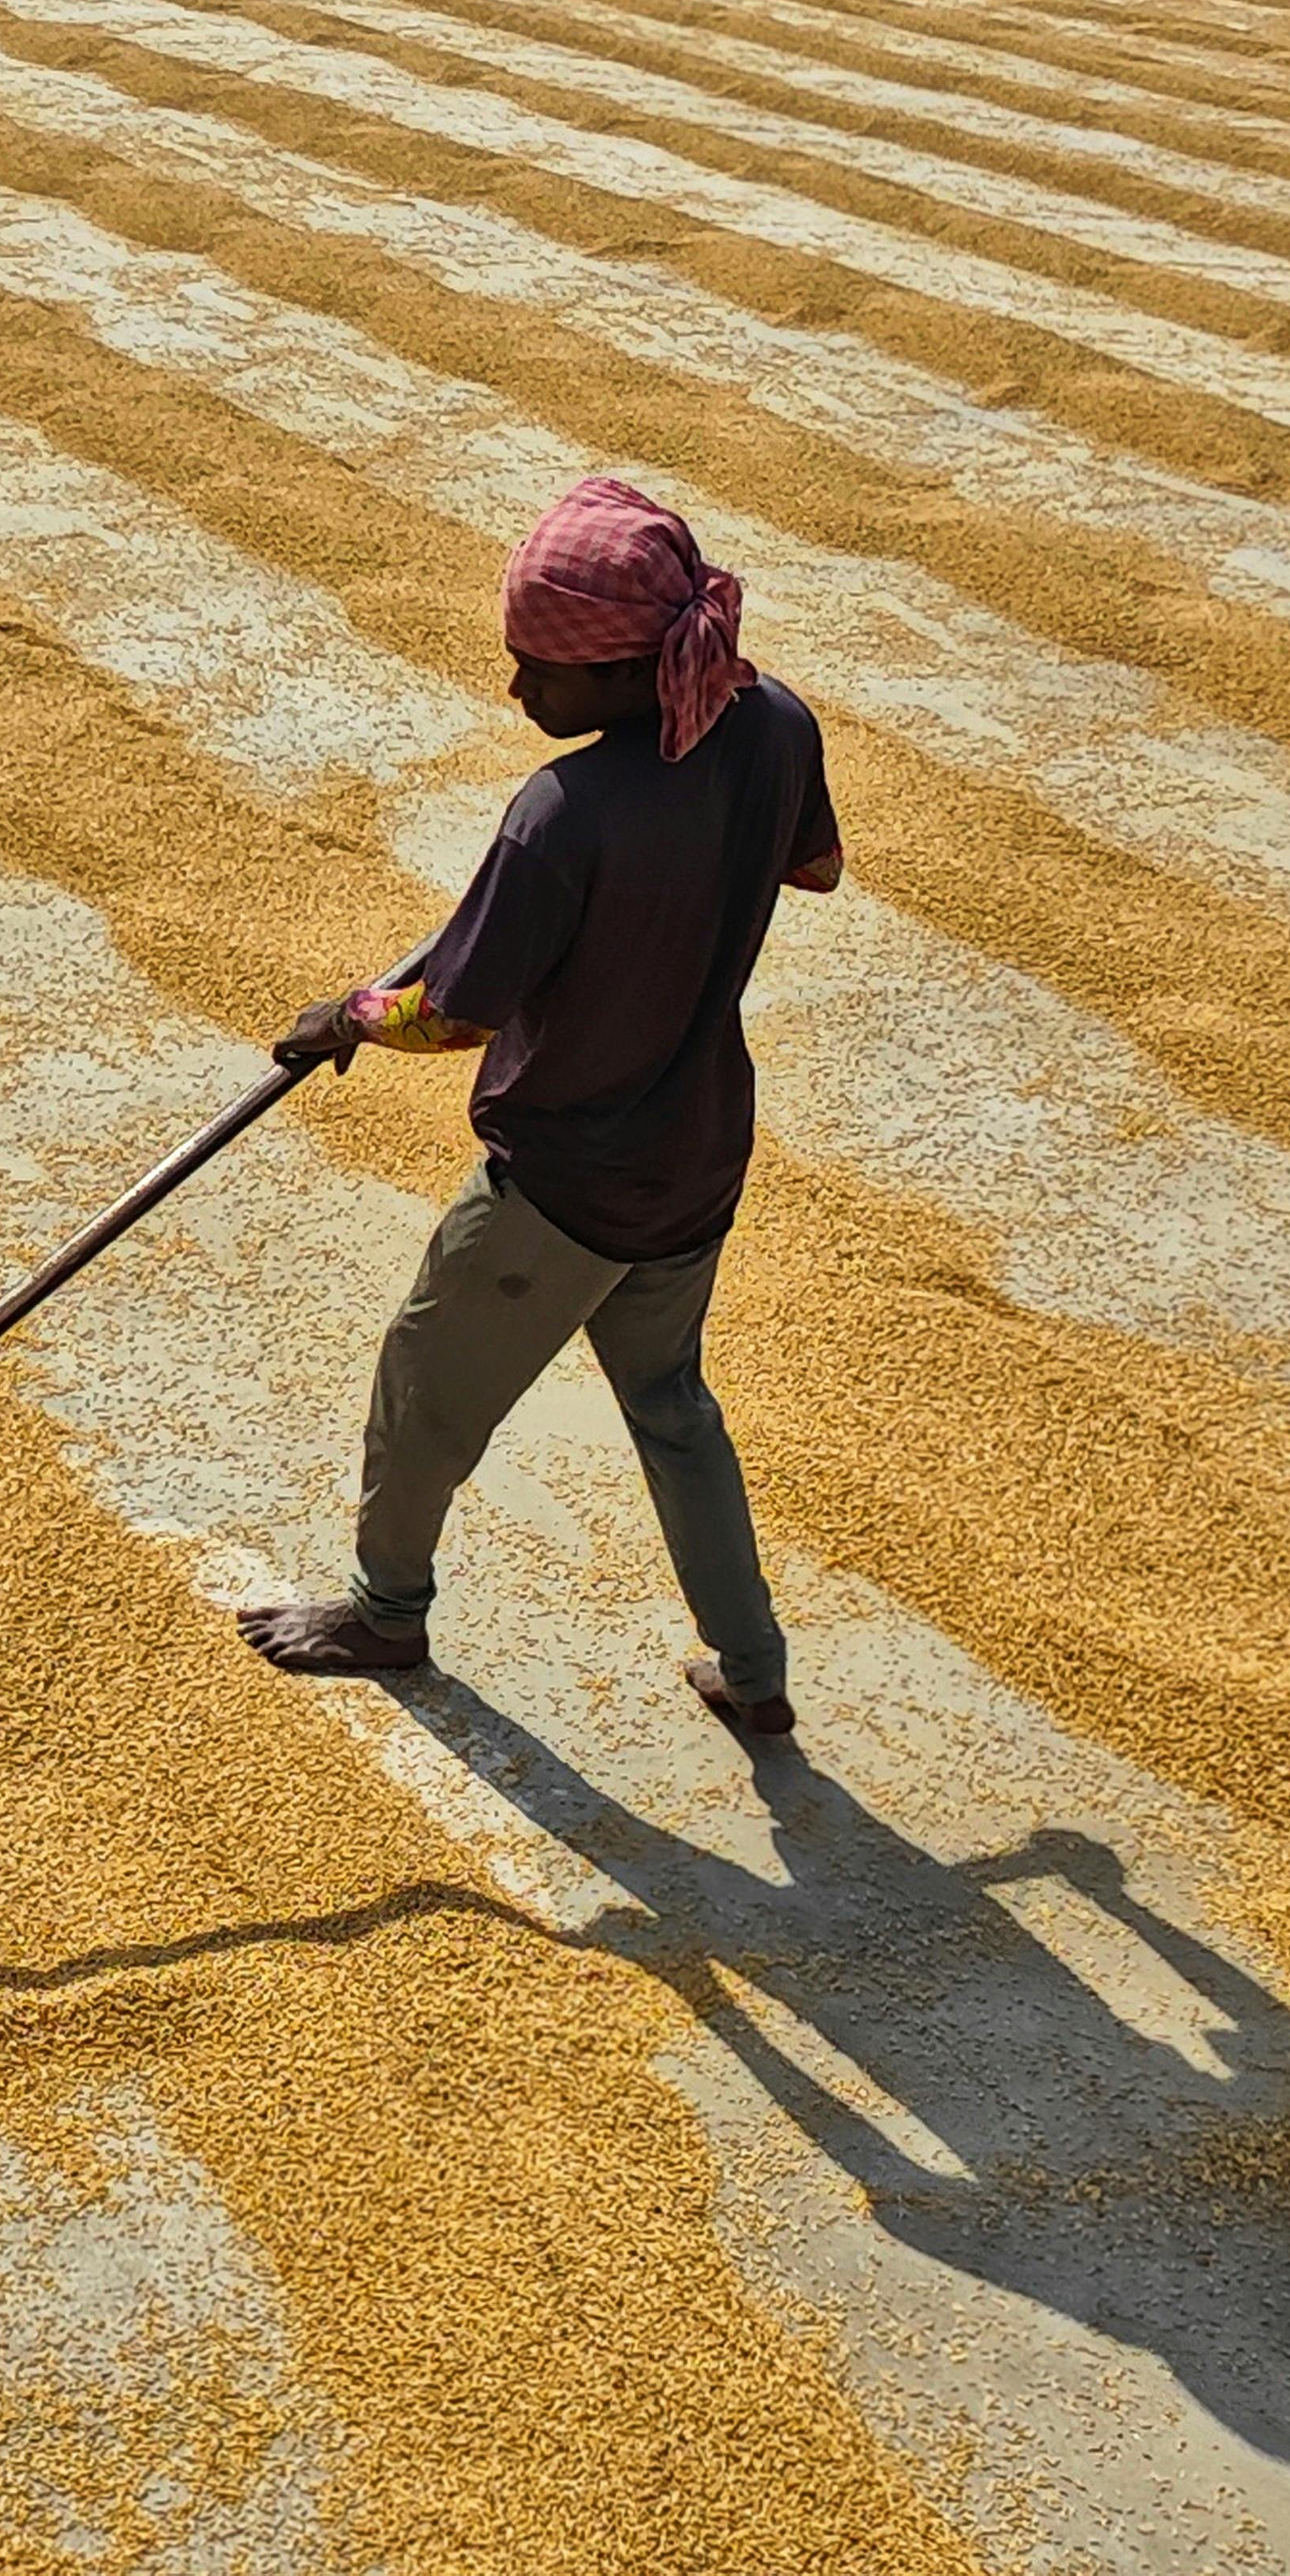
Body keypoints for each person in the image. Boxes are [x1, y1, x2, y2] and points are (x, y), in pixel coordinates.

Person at [241, 479, 845, 1736]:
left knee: (424, 1383)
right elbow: (814, 866)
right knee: (673, 1405)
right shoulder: (777, 720)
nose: (520, 696)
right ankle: (753, 1667)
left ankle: (382, 1612)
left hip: (567, 1180)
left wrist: (347, 1016)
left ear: (629, 674)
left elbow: (453, 1014)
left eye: (539, 673)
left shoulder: (561, 816)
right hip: (697, 1154)